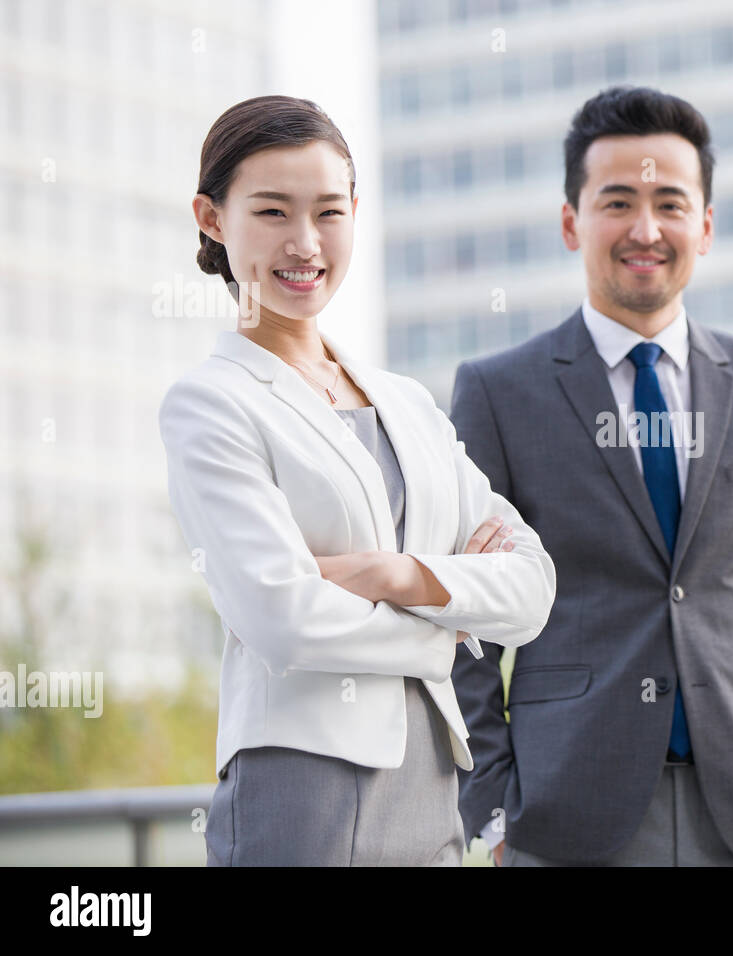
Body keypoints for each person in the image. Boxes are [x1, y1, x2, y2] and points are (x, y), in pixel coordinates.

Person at [449, 86, 733, 866]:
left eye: (671, 203)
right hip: (566, 816)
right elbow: (466, 625)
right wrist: (497, 812)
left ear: (705, 226)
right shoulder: (498, 393)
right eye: (617, 202)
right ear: (571, 221)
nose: (646, 229)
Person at [158, 95, 556, 866]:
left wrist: (397, 573)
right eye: (272, 212)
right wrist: (448, 618)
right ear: (212, 219)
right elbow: (283, 619)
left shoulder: (403, 401)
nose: (305, 243)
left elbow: (533, 587)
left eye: (328, 212)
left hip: (434, 786)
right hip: (303, 791)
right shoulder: (212, 403)